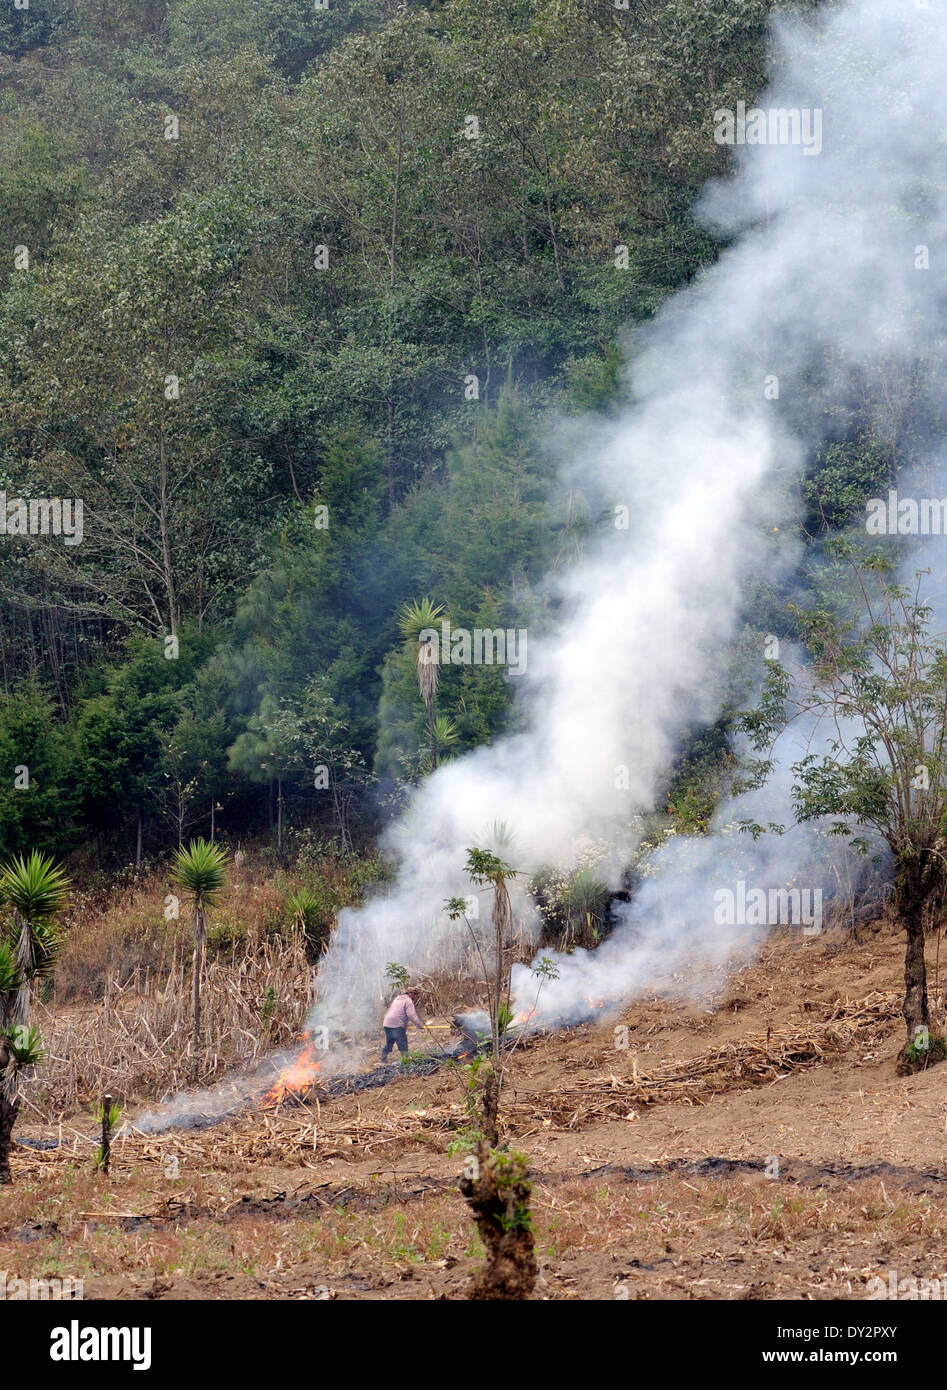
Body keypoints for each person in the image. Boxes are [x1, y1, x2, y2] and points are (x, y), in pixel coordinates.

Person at [382, 989, 424, 1061]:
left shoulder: (397, 999)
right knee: (402, 1042)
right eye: (415, 994)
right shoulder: (408, 1001)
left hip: (387, 1023)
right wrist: (418, 1025)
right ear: (410, 993)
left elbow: (391, 1011)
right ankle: (405, 1060)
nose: (415, 997)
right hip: (397, 1024)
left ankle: (383, 1058)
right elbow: (411, 1015)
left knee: (390, 1041)